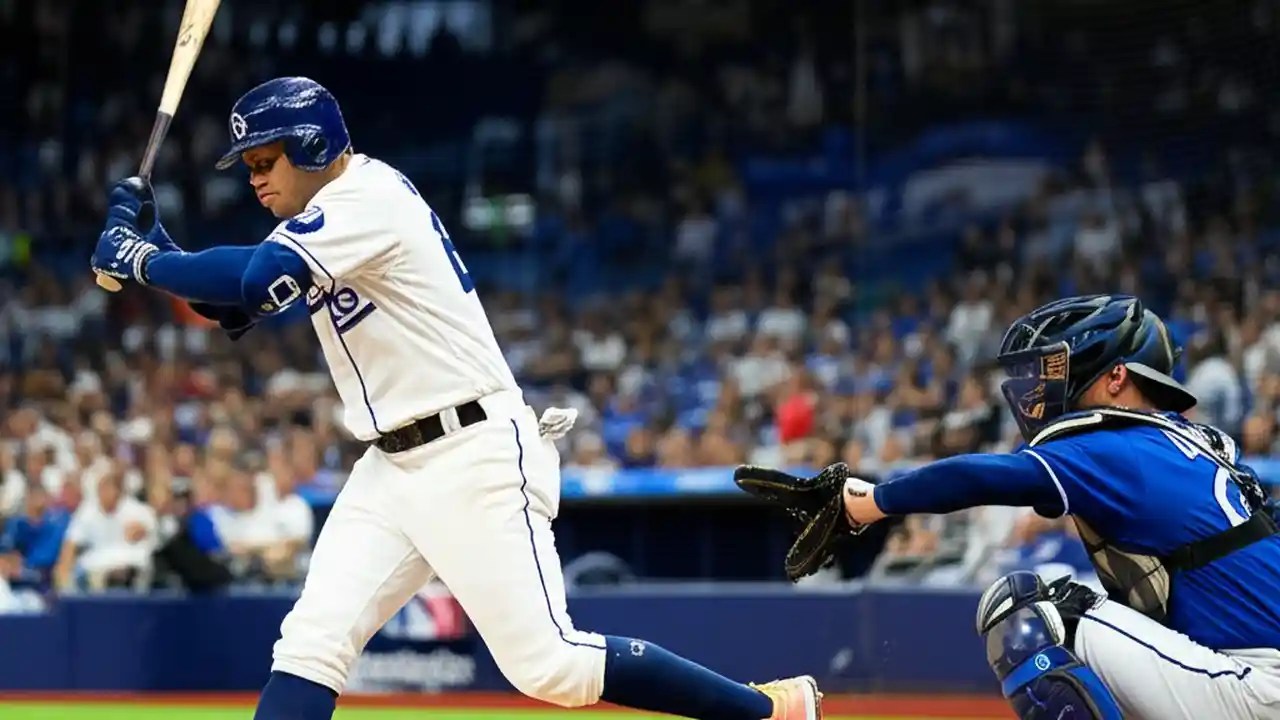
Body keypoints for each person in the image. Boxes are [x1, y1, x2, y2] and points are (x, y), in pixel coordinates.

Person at [90, 76, 821, 720]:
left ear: (311, 146)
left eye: (263, 160)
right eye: (249, 165)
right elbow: (230, 305)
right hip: (390, 468)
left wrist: (145, 259)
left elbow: (254, 282)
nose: (254, 178)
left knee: (551, 667)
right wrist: (158, 249)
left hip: (471, 452)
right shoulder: (324, 221)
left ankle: (764, 712)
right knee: (312, 641)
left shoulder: (365, 198)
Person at [836, 295, 1280, 718]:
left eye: (1059, 370)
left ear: (1117, 377)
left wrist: (871, 501)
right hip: (1242, 674)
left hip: (1255, 685)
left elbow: (981, 477)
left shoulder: (1116, 446)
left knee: (1030, 615)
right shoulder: (1197, 444)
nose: (1043, 387)